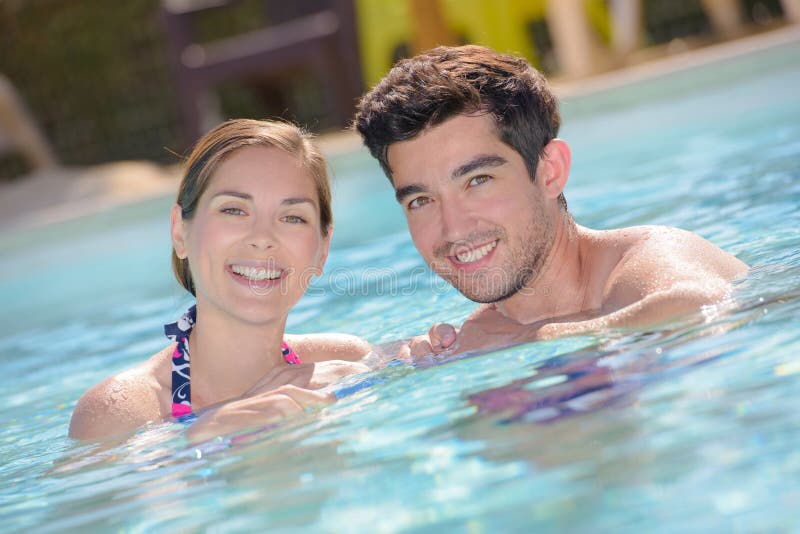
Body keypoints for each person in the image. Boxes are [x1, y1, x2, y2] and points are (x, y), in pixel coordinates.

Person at [354, 45, 748, 353]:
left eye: (478, 180)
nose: (454, 228)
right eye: (420, 200)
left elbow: (699, 303)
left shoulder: (651, 258)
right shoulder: (483, 335)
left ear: (550, 171)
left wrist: (523, 340)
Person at [69, 119, 379, 440]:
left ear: (322, 249)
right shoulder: (119, 413)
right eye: (234, 210)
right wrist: (205, 437)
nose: (263, 238)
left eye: (292, 217)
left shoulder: (344, 362)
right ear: (180, 232)